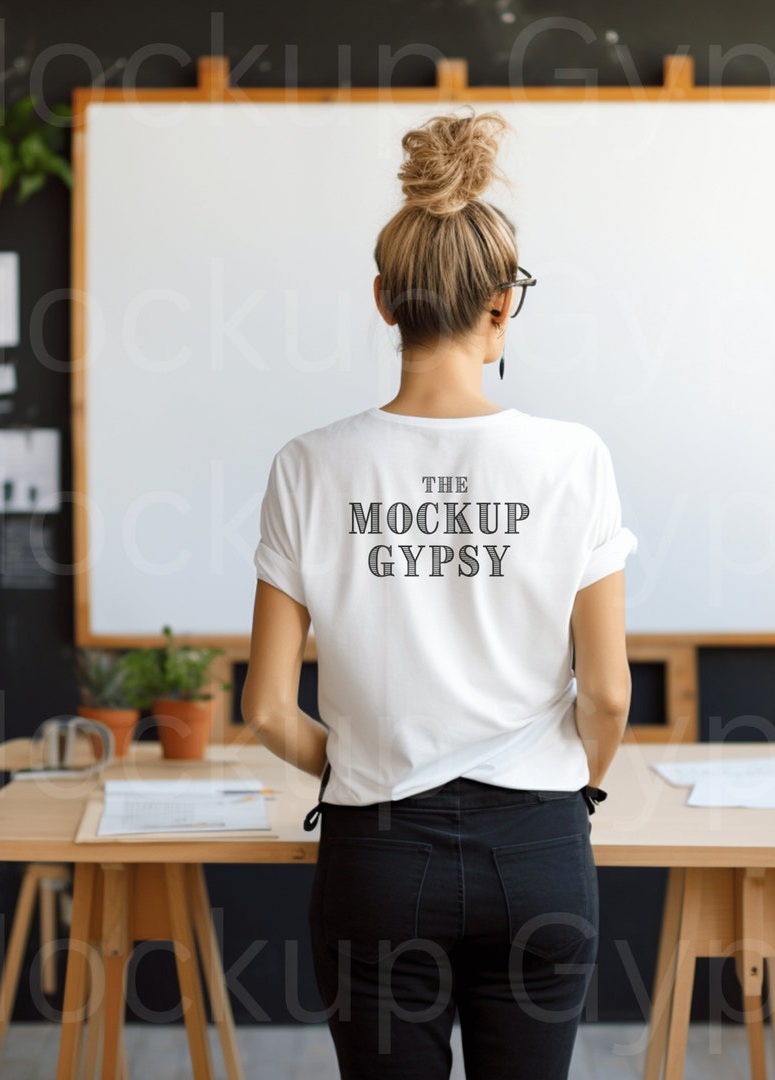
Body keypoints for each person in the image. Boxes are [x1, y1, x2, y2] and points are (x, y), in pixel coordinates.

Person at [241, 106, 638, 1080]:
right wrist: (577, 781)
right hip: (540, 846)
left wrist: (365, 761)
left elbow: (261, 711)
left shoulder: (309, 465)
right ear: (503, 307)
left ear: (385, 301)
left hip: (377, 857)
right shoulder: (572, 459)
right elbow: (611, 695)